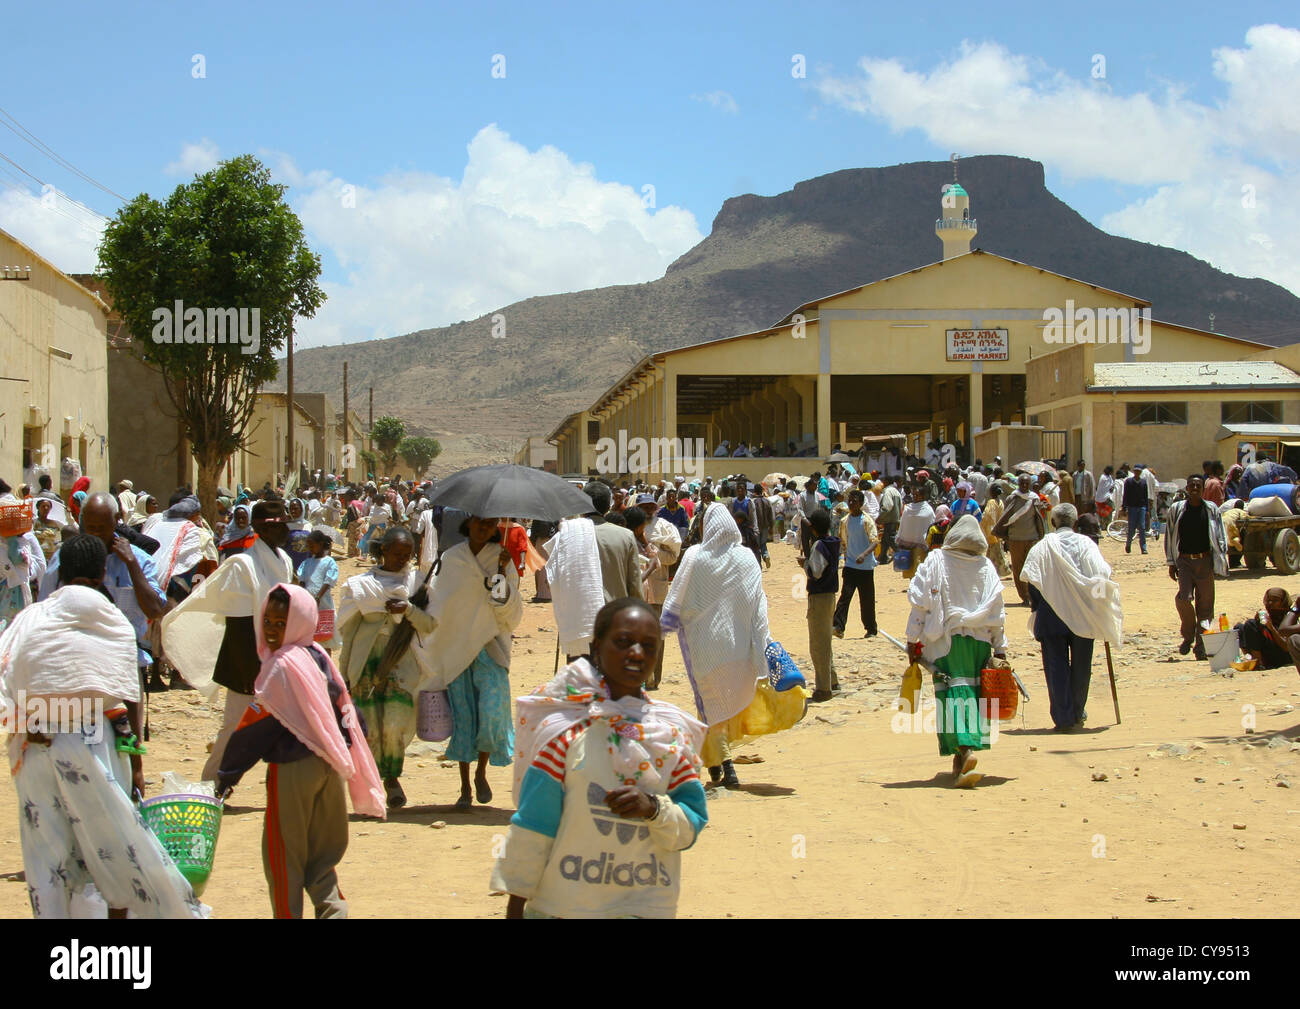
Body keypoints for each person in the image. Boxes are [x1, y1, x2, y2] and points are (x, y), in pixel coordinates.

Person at [1, 534, 203, 919]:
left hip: (34, 748)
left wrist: (28, 721)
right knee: (113, 852)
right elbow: (129, 692)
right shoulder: (112, 620)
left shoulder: (33, 617)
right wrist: (138, 763)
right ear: (99, 574)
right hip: (95, 744)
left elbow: (7, 672)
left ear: (61, 574)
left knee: (48, 859)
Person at [491, 598, 707, 918]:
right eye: (623, 642)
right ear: (596, 647)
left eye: (649, 645)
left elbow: (689, 828)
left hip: (643, 906)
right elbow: (534, 827)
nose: (636, 652)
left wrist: (653, 809)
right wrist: (515, 905)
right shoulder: (567, 736)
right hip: (564, 907)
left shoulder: (670, 739)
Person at [216, 584, 385, 917]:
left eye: (282, 623)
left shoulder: (281, 666)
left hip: (293, 771)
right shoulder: (319, 657)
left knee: (284, 857)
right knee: (322, 859)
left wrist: (228, 773)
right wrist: (345, 747)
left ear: (300, 621)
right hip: (331, 765)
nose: (273, 630)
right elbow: (347, 708)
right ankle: (334, 912)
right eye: (268, 621)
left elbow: (257, 727)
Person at [661, 506, 798, 787]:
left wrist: (663, 627)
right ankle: (717, 764)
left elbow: (675, 599)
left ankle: (723, 767)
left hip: (705, 647)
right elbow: (758, 602)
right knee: (723, 705)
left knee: (709, 705)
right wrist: (763, 641)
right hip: (738, 648)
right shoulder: (747, 558)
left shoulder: (694, 556)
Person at [162, 499, 293, 785]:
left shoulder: (284, 560)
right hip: (246, 664)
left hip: (278, 658)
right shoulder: (242, 566)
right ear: (258, 527)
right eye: (276, 524)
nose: (284, 528)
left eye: (285, 522)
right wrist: (252, 673)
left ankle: (282, 787)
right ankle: (213, 783)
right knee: (234, 728)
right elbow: (239, 625)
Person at [416, 516, 522, 809]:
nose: (484, 528)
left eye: (490, 524)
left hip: (491, 648)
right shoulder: (451, 557)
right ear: (468, 524)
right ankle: (464, 786)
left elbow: (507, 606)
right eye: (478, 522)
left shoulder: (501, 558)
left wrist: (501, 571)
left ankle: (481, 773)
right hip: (457, 647)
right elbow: (443, 601)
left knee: (490, 715)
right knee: (464, 717)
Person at [905, 516, 1009, 788]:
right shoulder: (986, 566)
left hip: (946, 641)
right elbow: (997, 612)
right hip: (979, 642)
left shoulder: (937, 561)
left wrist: (911, 639)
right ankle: (961, 755)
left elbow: (920, 604)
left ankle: (964, 749)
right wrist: (1001, 648)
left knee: (953, 693)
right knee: (974, 694)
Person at [336, 527, 431, 808]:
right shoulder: (360, 586)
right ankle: (382, 782)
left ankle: (390, 776)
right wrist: (346, 672)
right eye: (396, 553)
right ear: (382, 551)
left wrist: (409, 611)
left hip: (405, 661)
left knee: (395, 722)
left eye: (407, 554)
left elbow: (432, 625)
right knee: (369, 724)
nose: (402, 559)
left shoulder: (419, 584)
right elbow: (349, 631)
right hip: (368, 661)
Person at [1020, 504, 1123, 731]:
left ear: (1053, 522)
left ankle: (1064, 717)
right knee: (1082, 665)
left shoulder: (1042, 546)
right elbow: (1101, 574)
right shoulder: (1086, 544)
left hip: (1051, 614)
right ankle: (1077, 711)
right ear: (1075, 523)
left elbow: (1031, 580)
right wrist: (1098, 604)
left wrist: (1037, 606)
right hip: (1083, 614)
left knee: (1055, 666)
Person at [1164, 475, 1228, 660]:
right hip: (1184, 561)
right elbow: (1170, 535)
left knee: (1206, 607)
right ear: (1186, 488)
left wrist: (1220, 560)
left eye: (1198, 486)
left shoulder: (1211, 509)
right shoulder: (1177, 509)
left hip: (1205, 561)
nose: (1194, 488)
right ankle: (1188, 634)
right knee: (1183, 599)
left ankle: (1201, 646)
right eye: (1191, 485)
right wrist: (1171, 562)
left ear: (1203, 489)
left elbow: (1220, 534)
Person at [625, 507, 670, 690]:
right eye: (642, 528)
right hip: (638, 595)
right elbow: (640, 575)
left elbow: (656, 560)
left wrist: (644, 542)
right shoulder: (628, 543)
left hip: (652, 594)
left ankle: (651, 678)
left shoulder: (643, 543)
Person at [801, 506, 841, 703]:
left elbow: (815, 571)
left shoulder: (819, 546)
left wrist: (805, 563)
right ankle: (832, 680)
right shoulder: (833, 543)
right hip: (830, 595)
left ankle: (823, 688)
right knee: (826, 640)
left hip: (819, 596)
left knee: (818, 644)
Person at [993, 474, 1045, 603]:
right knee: (1018, 569)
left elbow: (1038, 519)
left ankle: (1033, 595)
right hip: (1015, 539)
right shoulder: (1012, 498)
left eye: (1027, 484)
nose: (1024, 486)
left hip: (1032, 538)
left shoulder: (1034, 499)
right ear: (1018, 484)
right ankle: (1025, 596)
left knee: (1032, 567)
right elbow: (1006, 517)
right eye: (1022, 484)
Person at [833, 489, 878, 640]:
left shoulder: (867, 520)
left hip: (865, 567)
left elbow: (874, 541)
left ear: (861, 503)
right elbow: (843, 541)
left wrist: (864, 554)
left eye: (854, 501)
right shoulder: (845, 521)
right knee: (845, 596)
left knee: (866, 599)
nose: (851, 503)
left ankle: (871, 628)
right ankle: (838, 627)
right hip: (851, 565)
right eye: (850, 501)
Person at [296, 530, 339, 650]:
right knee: (311, 636)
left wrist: (318, 596)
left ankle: (326, 665)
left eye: (312, 545)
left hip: (324, 604)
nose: (309, 548)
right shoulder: (307, 562)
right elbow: (302, 580)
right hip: (309, 603)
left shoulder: (329, 562)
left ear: (320, 544)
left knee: (324, 637)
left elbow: (329, 581)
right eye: (308, 545)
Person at [1237, 588, 1294, 670]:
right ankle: (1254, 661)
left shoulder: (1290, 617)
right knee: (1241, 627)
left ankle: (1259, 664)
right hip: (1269, 652)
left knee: (1251, 624)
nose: (1270, 603)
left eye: (1275, 601)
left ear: (1283, 602)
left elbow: (1286, 647)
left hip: (1284, 657)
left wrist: (1271, 627)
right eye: (1268, 600)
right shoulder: (1269, 615)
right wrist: (1259, 624)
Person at [980, 484, 1011, 578]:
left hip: (991, 531)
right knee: (993, 551)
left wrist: (983, 526)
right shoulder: (1001, 502)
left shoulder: (991, 502)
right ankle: (989, 571)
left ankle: (1004, 570)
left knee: (997, 552)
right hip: (999, 530)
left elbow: (986, 516)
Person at [877, 476, 902, 565]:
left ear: (887, 482)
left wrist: (880, 517)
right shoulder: (896, 491)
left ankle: (902, 554)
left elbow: (888, 506)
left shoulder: (887, 491)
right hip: (895, 518)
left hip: (889, 518)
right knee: (885, 539)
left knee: (891, 538)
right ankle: (882, 557)